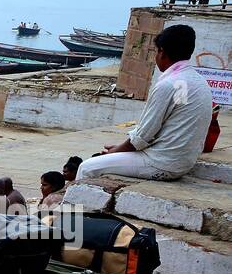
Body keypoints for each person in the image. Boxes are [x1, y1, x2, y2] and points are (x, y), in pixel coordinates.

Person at [76, 24, 213, 182]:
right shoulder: (199, 81)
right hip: (183, 162)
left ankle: (75, 206)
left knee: (86, 167)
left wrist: (115, 152)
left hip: (161, 163)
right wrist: (120, 149)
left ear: (161, 52)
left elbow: (142, 137)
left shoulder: (168, 85)